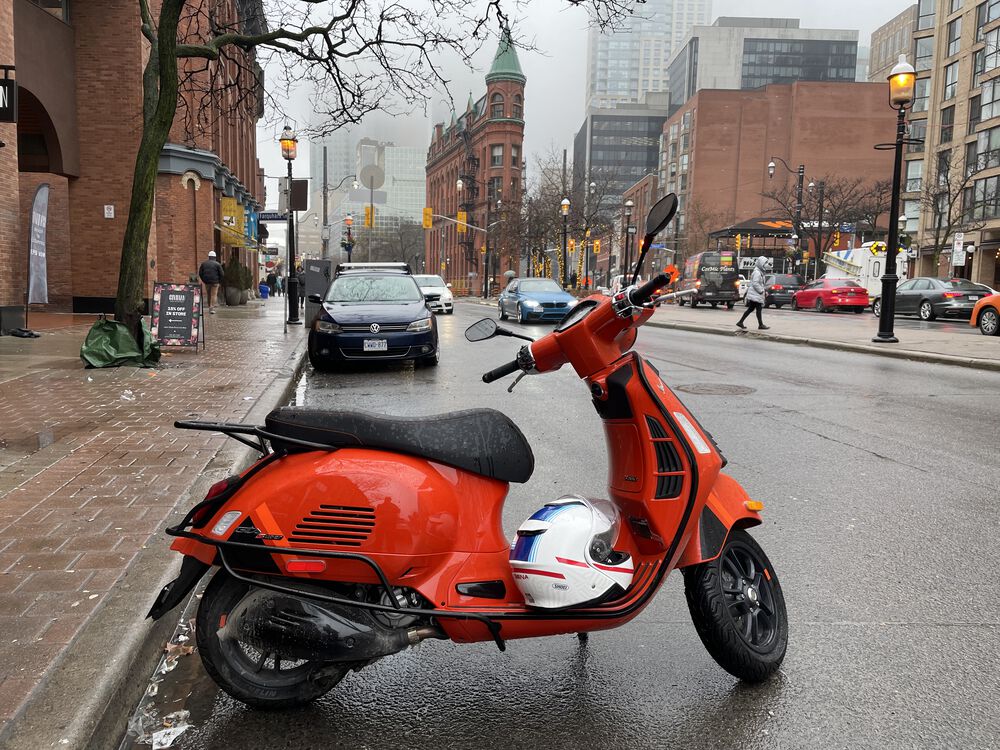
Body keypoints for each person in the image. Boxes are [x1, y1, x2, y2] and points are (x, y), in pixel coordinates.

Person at [736, 256, 771, 331]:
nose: (766, 265)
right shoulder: (757, 273)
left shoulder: (759, 272)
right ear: (761, 264)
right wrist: (761, 291)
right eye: (765, 263)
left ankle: (740, 322)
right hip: (755, 294)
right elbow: (755, 283)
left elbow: (760, 284)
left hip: (755, 294)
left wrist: (764, 291)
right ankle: (760, 325)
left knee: (751, 309)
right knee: (758, 309)